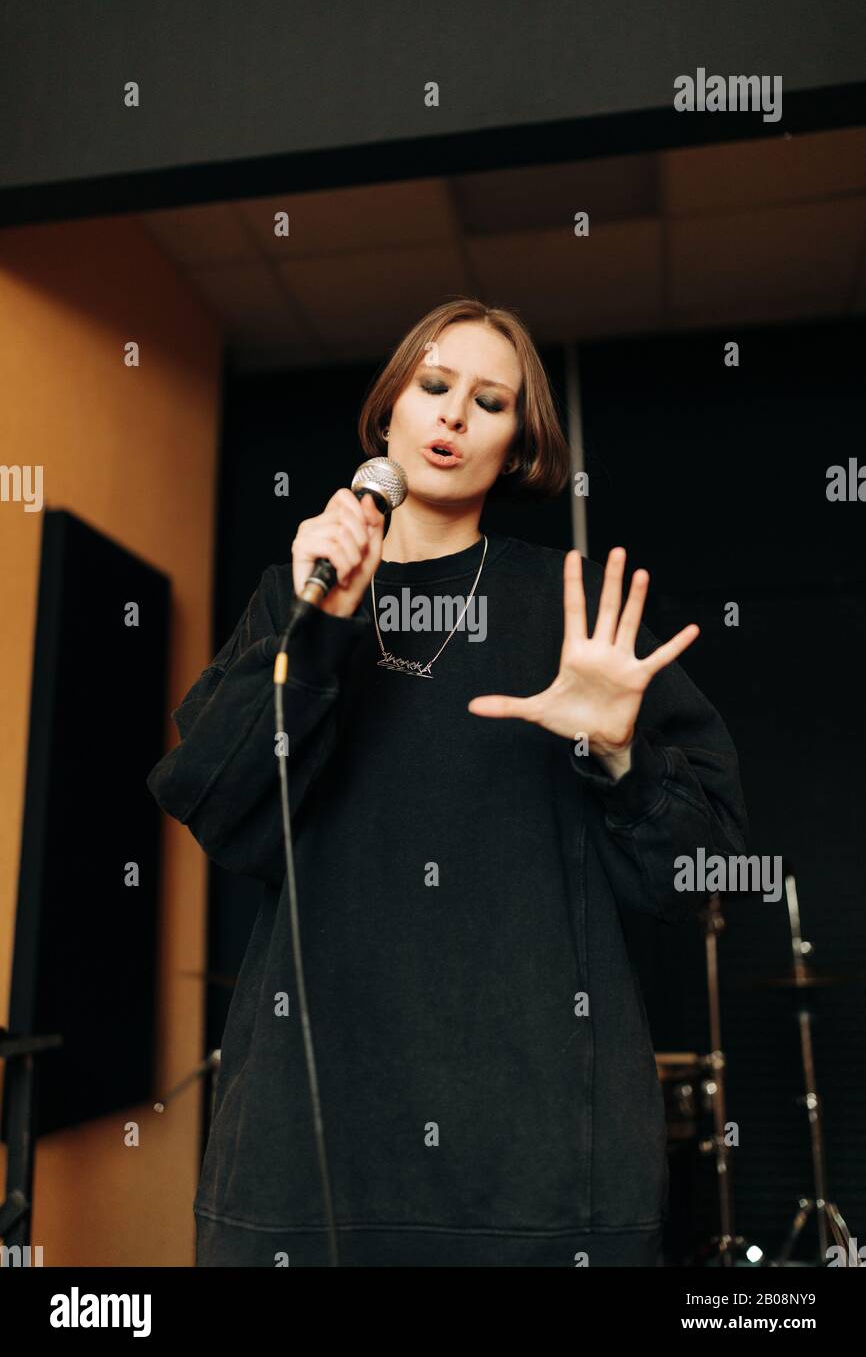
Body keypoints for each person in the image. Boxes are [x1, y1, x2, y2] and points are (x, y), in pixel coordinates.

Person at [147, 297, 749, 1267]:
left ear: (516, 446)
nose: (454, 414)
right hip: (306, 1168)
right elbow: (220, 813)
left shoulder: (574, 612)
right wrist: (321, 633)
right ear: (388, 411)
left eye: (490, 400)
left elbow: (704, 873)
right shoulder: (293, 598)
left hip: (539, 1181)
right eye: (432, 386)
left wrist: (617, 755)